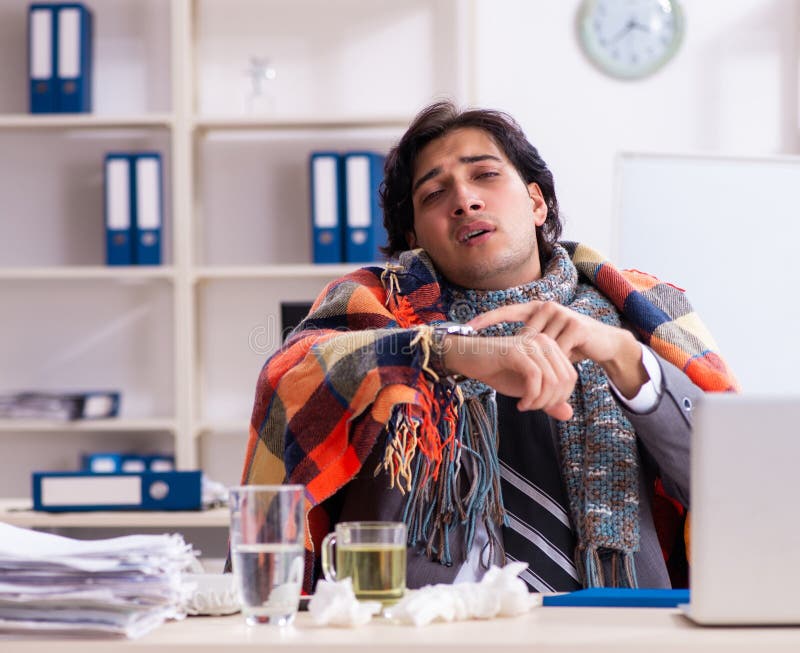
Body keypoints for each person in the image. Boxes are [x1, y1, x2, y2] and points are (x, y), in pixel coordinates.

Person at [239, 101, 737, 593]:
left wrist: (625, 357)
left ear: (537, 202)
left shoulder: (647, 308)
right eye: (434, 193)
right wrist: (444, 354)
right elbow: (288, 382)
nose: (464, 200)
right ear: (414, 236)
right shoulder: (372, 304)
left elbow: (736, 481)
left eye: (486, 176)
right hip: (424, 627)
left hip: (622, 622)